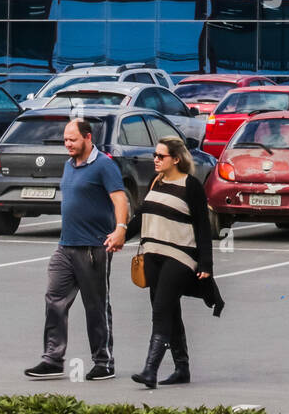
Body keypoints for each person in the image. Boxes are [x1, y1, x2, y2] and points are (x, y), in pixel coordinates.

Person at [24, 117, 129, 382]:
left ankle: (104, 362)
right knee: (54, 300)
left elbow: (120, 198)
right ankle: (52, 359)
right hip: (65, 246)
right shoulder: (69, 165)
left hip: (94, 247)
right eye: (65, 140)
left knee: (96, 307)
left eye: (72, 139)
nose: (67, 144)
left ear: (87, 137)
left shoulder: (104, 165)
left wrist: (120, 228)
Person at [132, 136, 224, 388]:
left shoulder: (190, 185)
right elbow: (142, 215)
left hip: (180, 257)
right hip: (153, 255)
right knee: (170, 311)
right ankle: (182, 367)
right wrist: (118, 233)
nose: (155, 160)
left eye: (161, 156)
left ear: (176, 159)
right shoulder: (157, 182)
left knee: (161, 309)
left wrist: (206, 265)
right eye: (155, 155)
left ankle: (150, 370)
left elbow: (203, 227)